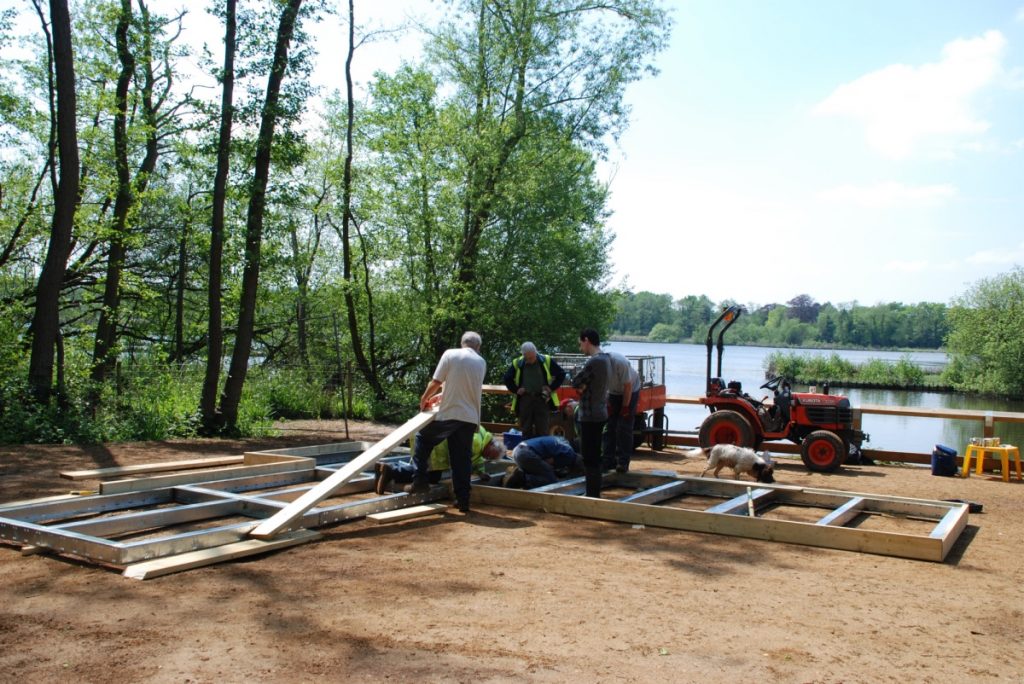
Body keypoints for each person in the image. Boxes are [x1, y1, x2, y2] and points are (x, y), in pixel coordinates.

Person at [405, 331, 487, 512]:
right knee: (461, 460)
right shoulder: (481, 362)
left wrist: (425, 398)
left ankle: (419, 481)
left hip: (450, 414)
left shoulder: (450, 354)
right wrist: (442, 396)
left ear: (462, 343)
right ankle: (463, 501)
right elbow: (465, 389)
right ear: (478, 347)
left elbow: (436, 381)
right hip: (469, 417)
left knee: (422, 438)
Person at [374, 426, 505, 494]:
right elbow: (461, 459)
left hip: (437, 444)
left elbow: (476, 459)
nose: (486, 458)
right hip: (438, 448)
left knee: (426, 471)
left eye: (489, 458)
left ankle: (390, 469)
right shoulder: (477, 442)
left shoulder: (482, 438)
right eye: (489, 455)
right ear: (491, 445)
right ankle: (392, 470)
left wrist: (480, 471)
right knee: (431, 474)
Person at [572, 328, 611, 498]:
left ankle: (592, 495)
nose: (581, 348)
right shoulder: (607, 359)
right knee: (594, 455)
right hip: (600, 412)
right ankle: (594, 493)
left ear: (586, 340)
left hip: (590, 415)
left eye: (581, 343)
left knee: (589, 457)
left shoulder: (594, 362)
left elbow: (576, 381)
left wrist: (582, 386)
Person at [502, 342, 567, 439]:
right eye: (528, 358)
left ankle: (542, 452)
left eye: (532, 357)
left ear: (536, 352)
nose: (531, 360)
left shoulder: (546, 360)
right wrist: (516, 390)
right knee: (526, 429)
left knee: (543, 429)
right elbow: (507, 378)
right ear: (523, 355)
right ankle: (527, 452)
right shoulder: (517, 363)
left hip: (542, 399)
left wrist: (551, 387)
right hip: (525, 399)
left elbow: (561, 374)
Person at [603, 350, 641, 473]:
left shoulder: (620, 363)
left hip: (631, 390)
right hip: (613, 392)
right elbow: (601, 386)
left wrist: (625, 407)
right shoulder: (598, 365)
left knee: (624, 427)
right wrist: (607, 402)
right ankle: (608, 461)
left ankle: (623, 462)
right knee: (610, 427)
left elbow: (628, 387)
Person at [502, 435, 583, 489]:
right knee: (552, 482)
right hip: (525, 454)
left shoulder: (563, 442)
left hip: (518, 450)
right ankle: (522, 478)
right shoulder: (569, 455)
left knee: (543, 473)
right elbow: (548, 462)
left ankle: (520, 476)